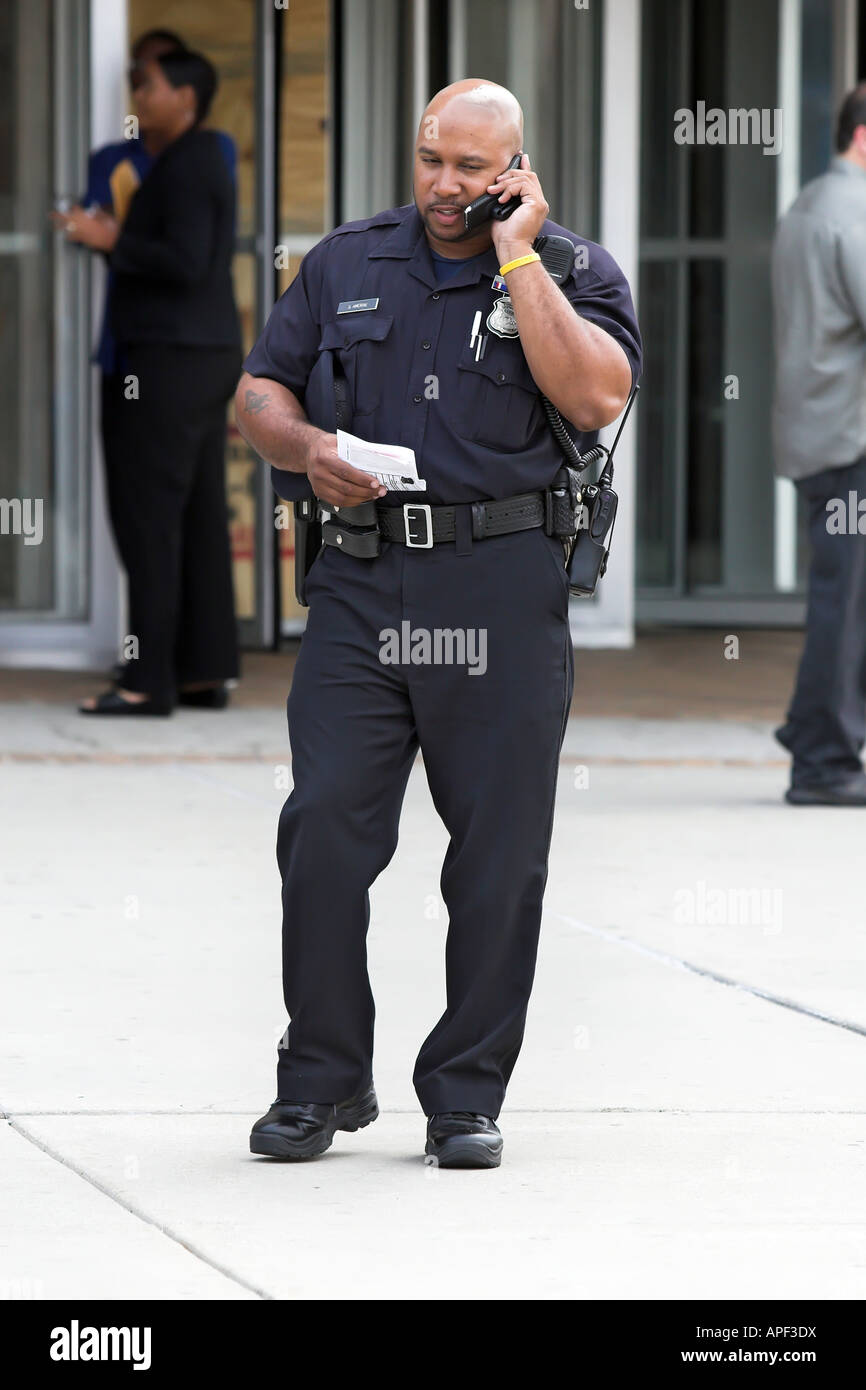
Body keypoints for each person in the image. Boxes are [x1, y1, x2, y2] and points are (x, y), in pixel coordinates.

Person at [237, 79, 641, 1167]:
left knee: (498, 860)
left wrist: (518, 256)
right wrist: (303, 450)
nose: (445, 187)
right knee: (322, 827)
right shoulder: (345, 261)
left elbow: (597, 396)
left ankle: (464, 1095)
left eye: (471, 168)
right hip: (363, 588)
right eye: (432, 161)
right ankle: (320, 1081)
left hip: (501, 587)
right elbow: (259, 392)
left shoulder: (571, 272)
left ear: (512, 169)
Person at [56, 30, 238, 698]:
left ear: (184, 97)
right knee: (192, 516)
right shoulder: (188, 159)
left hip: (167, 365)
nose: (138, 94)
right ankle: (200, 671)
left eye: (148, 85)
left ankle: (145, 679)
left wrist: (111, 238)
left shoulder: (191, 161)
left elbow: (185, 264)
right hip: (194, 358)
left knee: (148, 519)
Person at [772, 83, 866, 805]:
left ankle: (812, 735)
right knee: (847, 602)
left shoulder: (809, 202)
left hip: (819, 433)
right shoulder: (854, 209)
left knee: (842, 596)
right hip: (849, 439)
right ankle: (825, 765)